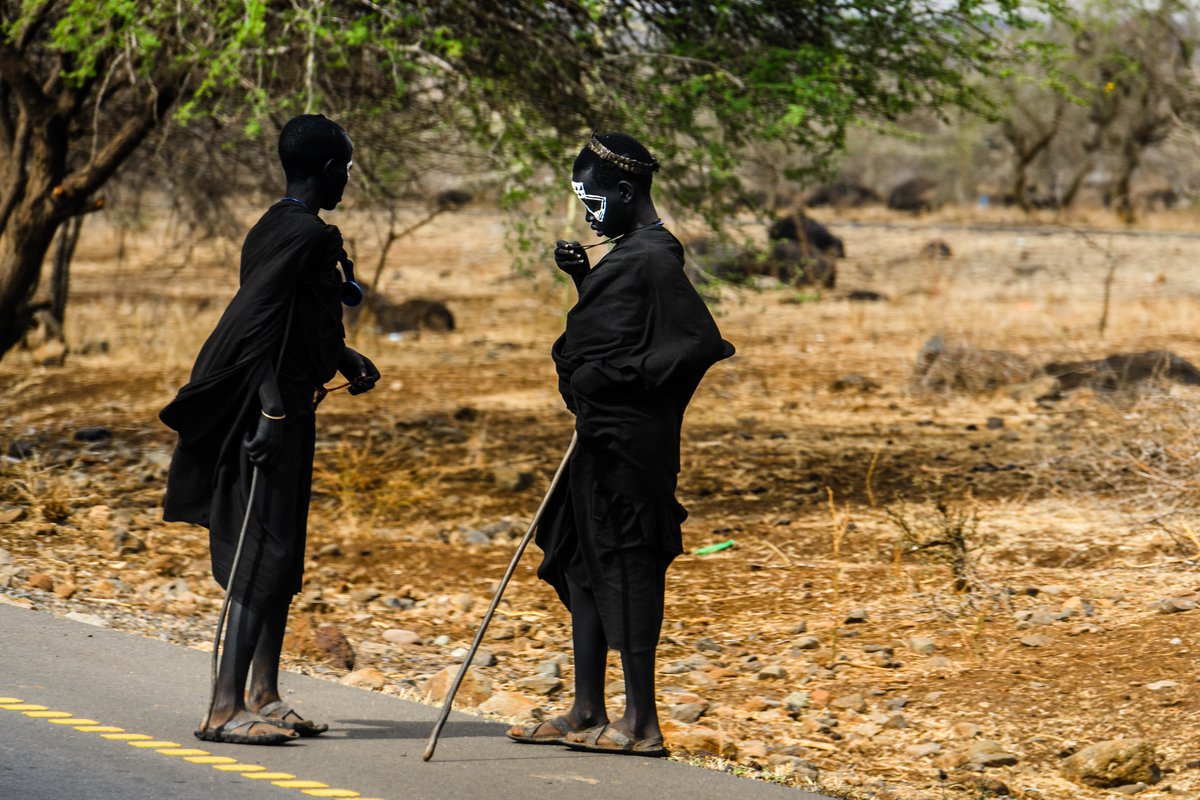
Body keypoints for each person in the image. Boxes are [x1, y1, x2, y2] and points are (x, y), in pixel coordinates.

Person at [508, 133, 734, 757]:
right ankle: (586, 709)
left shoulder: (653, 259)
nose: (586, 212)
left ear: (626, 193)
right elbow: (614, 335)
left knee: (629, 567)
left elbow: (689, 347)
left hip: (631, 452)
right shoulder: (627, 255)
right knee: (584, 564)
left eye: (592, 198)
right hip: (597, 442)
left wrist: (604, 380)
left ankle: (642, 722)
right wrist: (585, 284)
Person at [160, 114, 380, 745]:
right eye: (346, 167)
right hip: (270, 413)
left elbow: (295, 316)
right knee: (263, 551)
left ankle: (265, 692)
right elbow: (252, 329)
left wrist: (343, 358)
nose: (347, 178)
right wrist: (270, 410)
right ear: (330, 169)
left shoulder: (279, 228)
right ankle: (224, 707)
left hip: (292, 405)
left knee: (283, 554)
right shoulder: (304, 235)